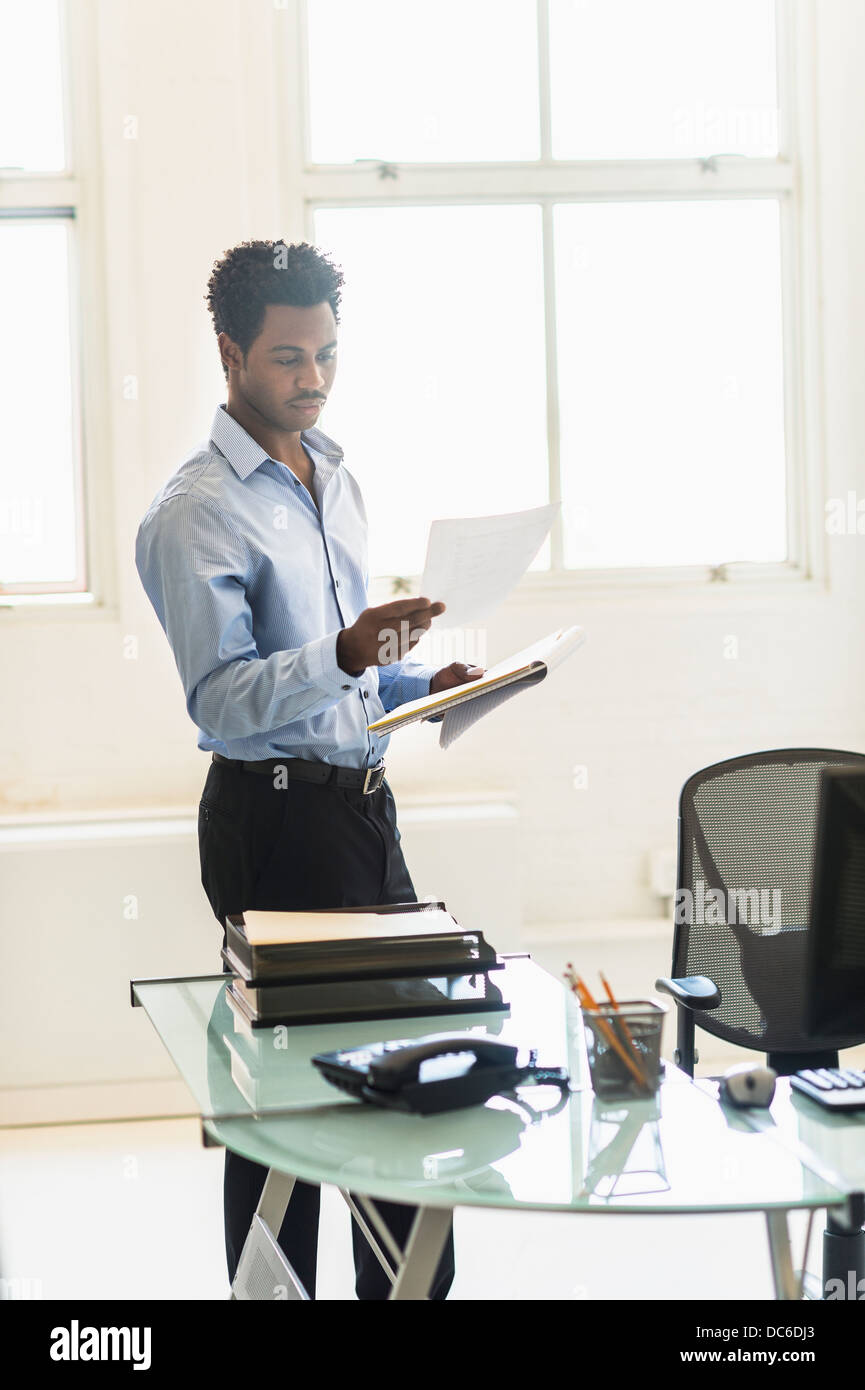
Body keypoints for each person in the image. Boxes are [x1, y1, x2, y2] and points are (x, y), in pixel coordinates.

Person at [135, 239, 482, 1299]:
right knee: (284, 1104)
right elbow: (227, 702)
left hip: (363, 815)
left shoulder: (331, 474)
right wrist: (344, 653)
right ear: (232, 352)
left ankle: (407, 1292)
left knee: (400, 1078)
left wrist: (421, 680)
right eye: (290, 357)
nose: (315, 379)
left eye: (328, 353)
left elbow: (342, 677)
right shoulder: (194, 512)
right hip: (272, 822)